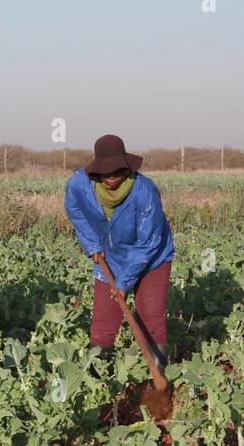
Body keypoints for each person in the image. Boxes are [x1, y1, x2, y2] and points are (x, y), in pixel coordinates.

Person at [64, 134, 175, 366]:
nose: (112, 177)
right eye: (105, 172)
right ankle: (102, 380)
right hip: (109, 257)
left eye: (117, 170)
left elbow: (148, 243)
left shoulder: (144, 191)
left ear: (126, 166)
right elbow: (75, 210)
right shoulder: (79, 184)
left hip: (152, 257)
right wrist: (92, 243)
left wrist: (123, 283)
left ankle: (157, 376)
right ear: (96, 170)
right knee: (103, 321)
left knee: (150, 315)